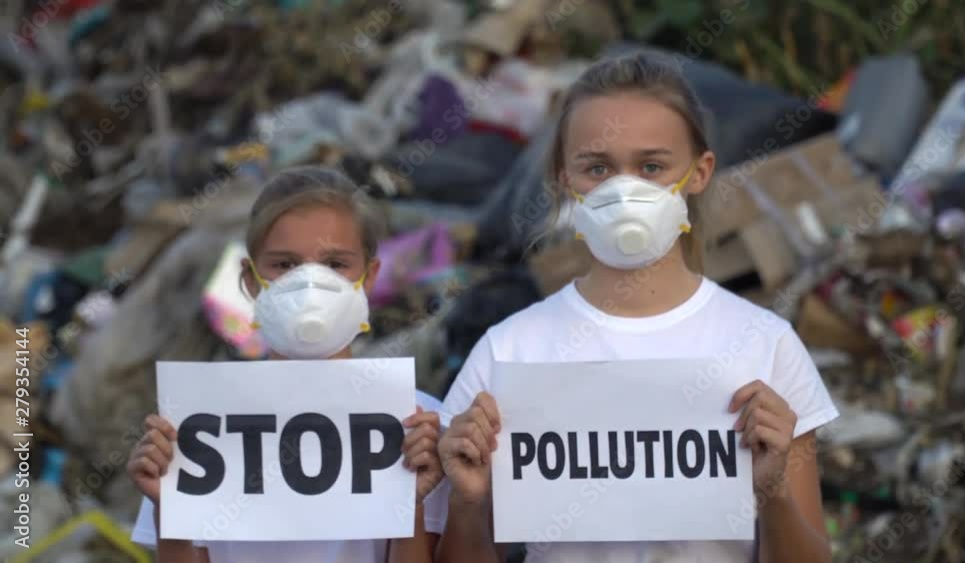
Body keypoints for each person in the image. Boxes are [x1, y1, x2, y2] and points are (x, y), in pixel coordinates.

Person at [436, 52, 840, 563]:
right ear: (565, 180)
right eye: (597, 167)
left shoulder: (765, 344)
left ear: (699, 172)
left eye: (651, 167)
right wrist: (469, 506)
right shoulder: (508, 351)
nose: (624, 190)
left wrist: (775, 491)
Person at [126, 166, 447, 563]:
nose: (311, 285)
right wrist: (169, 507)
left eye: (334, 264)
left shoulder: (420, 425)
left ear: (369, 277)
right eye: (285, 265)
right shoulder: (197, 424)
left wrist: (409, 504)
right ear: (251, 280)